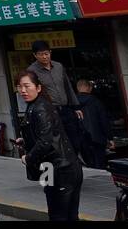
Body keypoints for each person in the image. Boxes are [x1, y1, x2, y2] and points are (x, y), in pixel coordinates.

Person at [17, 69, 83, 220]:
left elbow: (46, 141)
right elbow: (44, 133)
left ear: (38, 87)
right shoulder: (35, 105)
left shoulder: (40, 108)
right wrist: (25, 140)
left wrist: (28, 158)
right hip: (53, 168)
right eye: (20, 87)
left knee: (59, 215)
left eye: (27, 86)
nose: (23, 91)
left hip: (60, 169)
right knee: (67, 215)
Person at [26, 41, 84, 154]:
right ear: (35, 55)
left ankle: (75, 162)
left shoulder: (58, 66)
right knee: (56, 140)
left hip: (66, 109)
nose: (44, 56)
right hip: (49, 111)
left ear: (50, 52)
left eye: (46, 53)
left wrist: (76, 106)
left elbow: (68, 87)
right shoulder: (31, 71)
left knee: (74, 139)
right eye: (41, 54)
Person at [75, 79, 112, 169]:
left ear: (77, 88)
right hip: (97, 138)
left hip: (81, 139)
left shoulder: (72, 104)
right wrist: (110, 137)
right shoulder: (96, 102)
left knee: (89, 165)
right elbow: (104, 120)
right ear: (90, 88)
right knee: (100, 164)